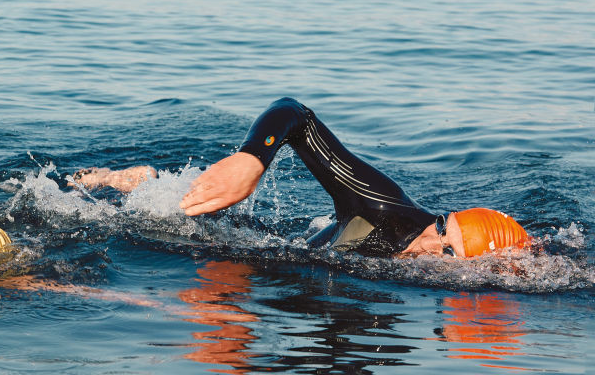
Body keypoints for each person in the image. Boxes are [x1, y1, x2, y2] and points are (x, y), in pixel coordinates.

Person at [75, 98, 531, 259]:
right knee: (171, 217)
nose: (432, 244)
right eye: (442, 229)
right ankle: (133, 179)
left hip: (275, 259)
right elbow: (295, 114)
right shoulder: (386, 208)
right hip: (274, 246)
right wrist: (253, 160)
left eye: (448, 254)